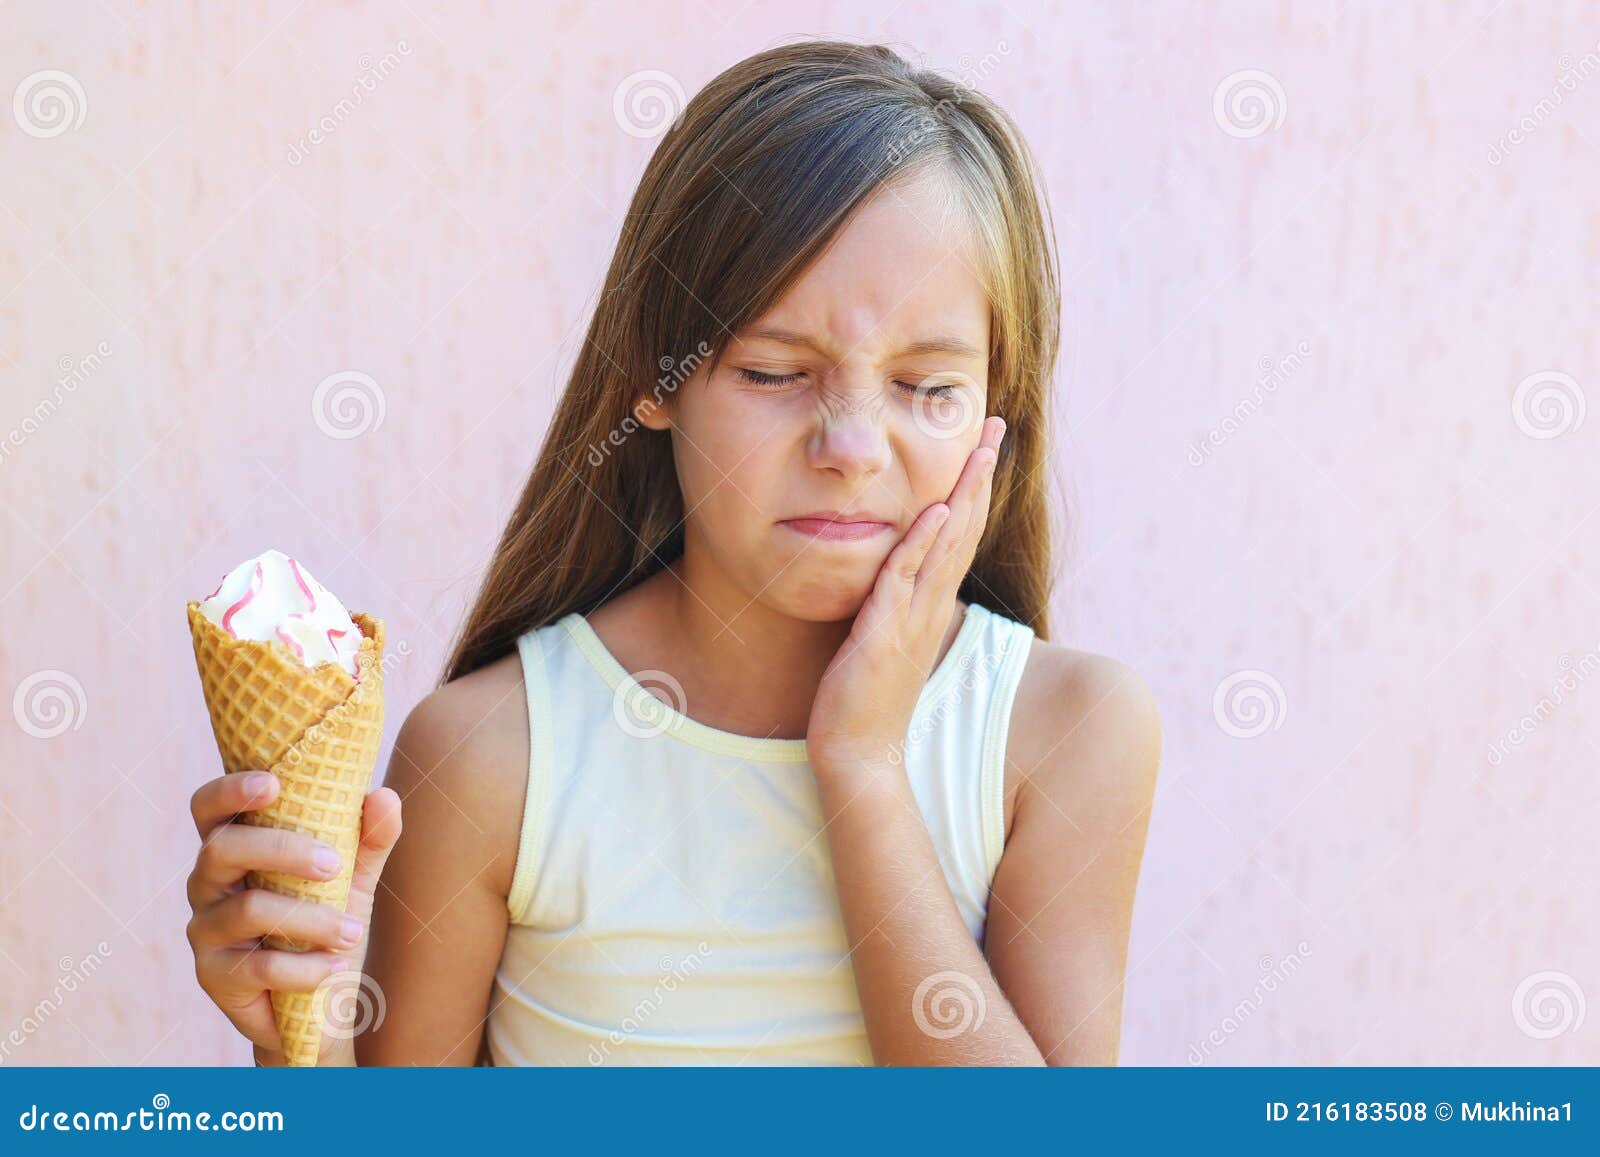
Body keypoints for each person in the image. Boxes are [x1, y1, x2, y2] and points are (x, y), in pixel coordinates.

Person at [186, 39, 1161, 1066]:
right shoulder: (494, 757)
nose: (851, 449)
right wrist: (304, 1031)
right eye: (775, 370)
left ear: (994, 414)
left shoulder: (1064, 735)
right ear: (655, 376)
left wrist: (864, 766)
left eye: (928, 389)